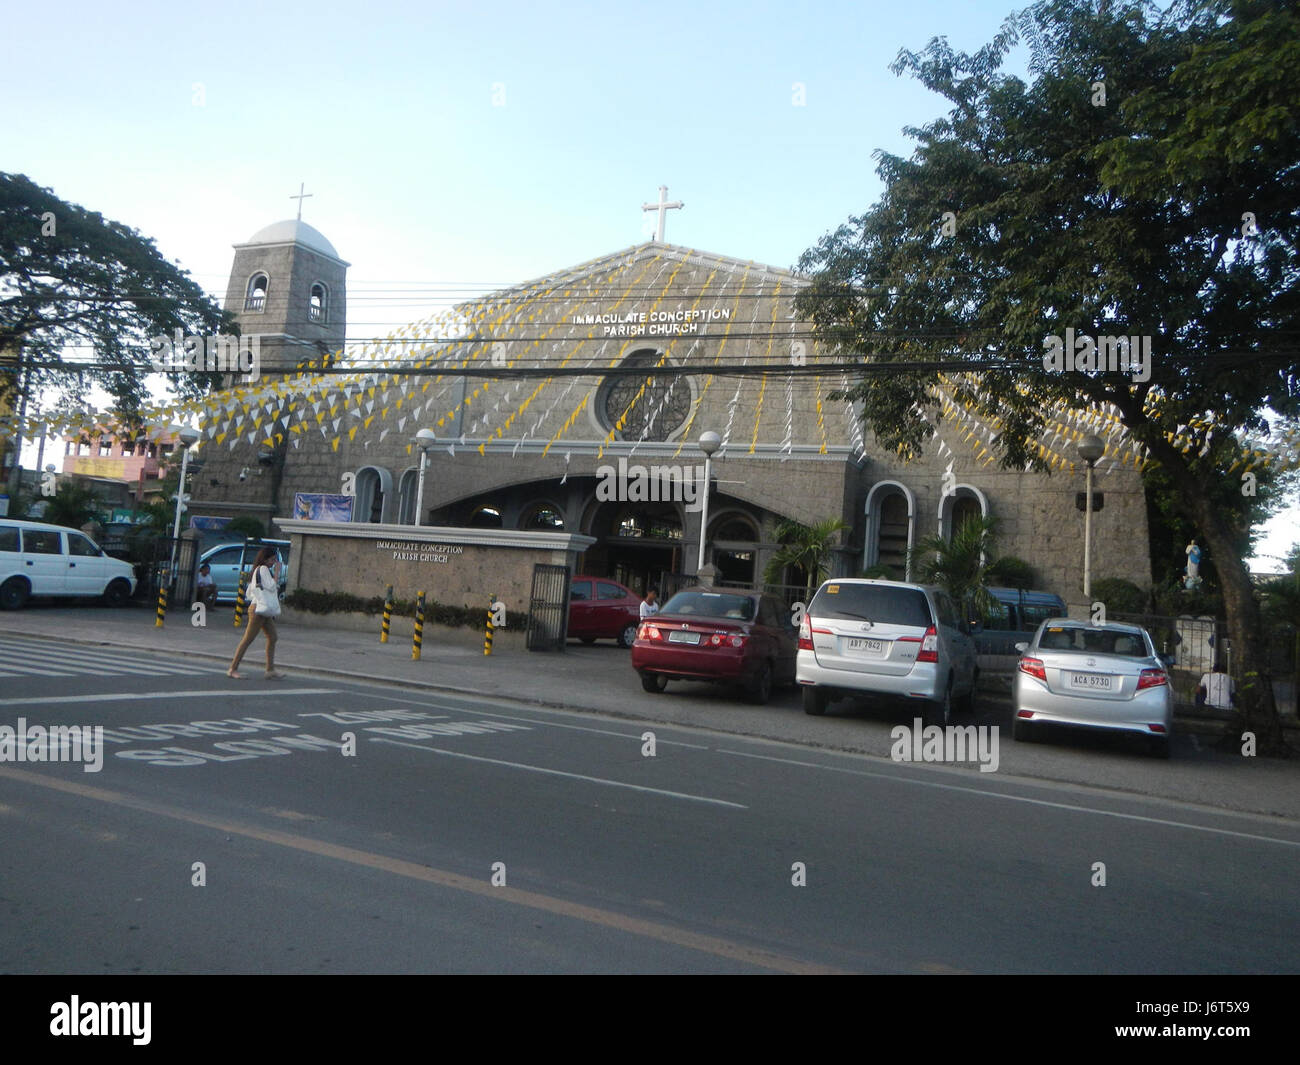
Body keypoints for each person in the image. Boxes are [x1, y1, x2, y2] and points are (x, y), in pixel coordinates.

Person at [227, 547, 284, 679]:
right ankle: (233, 668)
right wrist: (276, 574)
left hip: (261, 608)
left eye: (274, 560)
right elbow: (270, 586)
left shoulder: (257, 570)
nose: (273, 562)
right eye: (272, 560)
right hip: (259, 610)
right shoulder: (263, 569)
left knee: (272, 637)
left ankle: (270, 669)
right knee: (248, 639)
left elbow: (250, 591)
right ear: (265, 559)